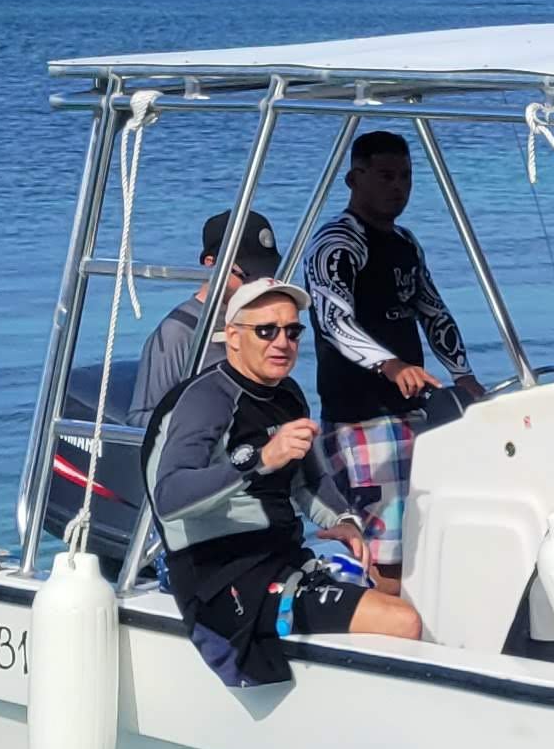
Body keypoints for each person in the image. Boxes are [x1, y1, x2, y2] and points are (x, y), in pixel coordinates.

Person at [148, 278, 423, 684]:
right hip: (221, 577)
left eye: (293, 331)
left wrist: (344, 521)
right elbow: (169, 497)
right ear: (234, 337)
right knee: (401, 621)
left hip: (280, 557)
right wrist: (259, 461)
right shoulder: (208, 400)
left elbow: (308, 482)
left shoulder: (287, 394)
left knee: (394, 588)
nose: (282, 343)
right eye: (266, 331)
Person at [307, 131, 482, 597]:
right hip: (361, 420)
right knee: (386, 550)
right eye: (385, 176)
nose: (398, 187)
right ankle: (387, 622)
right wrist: (389, 364)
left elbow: (433, 310)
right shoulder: (336, 243)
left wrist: (463, 374)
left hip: (410, 413)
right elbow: (332, 319)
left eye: (405, 176)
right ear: (354, 179)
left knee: (429, 535)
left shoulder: (405, 242)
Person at [135, 210, 278, 418]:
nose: (259, 284)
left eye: (267, 274)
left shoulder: (271, 325)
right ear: (211, 263)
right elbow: (141, 418)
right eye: (249, 274)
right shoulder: (177, 332)